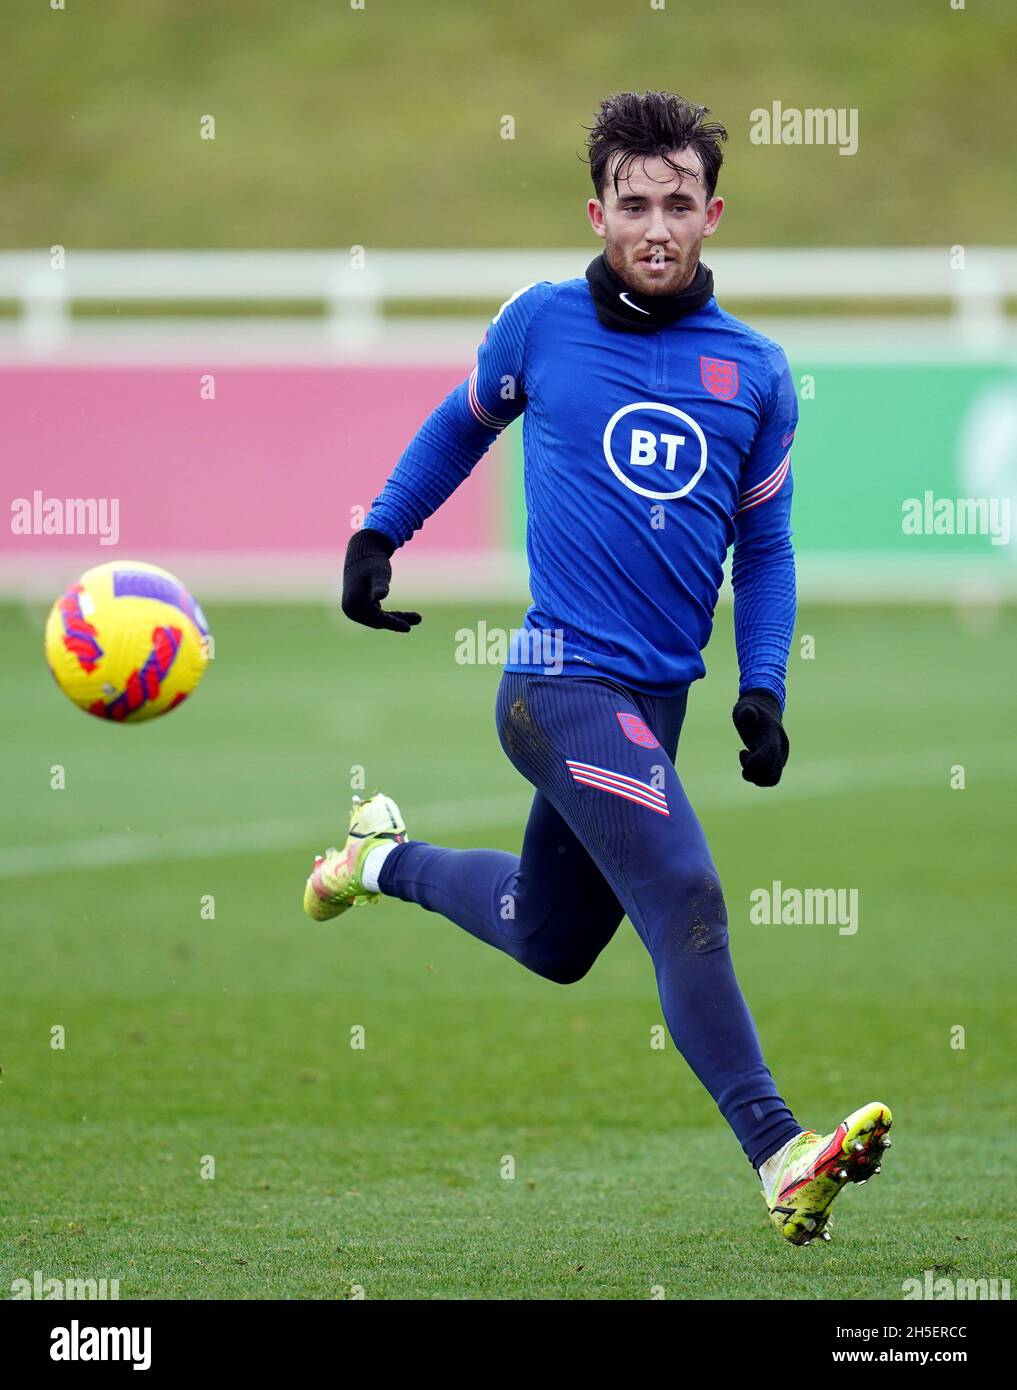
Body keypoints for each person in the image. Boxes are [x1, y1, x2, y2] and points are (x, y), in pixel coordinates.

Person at [305, 90, 891, 1245]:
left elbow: (766, 548)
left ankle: (376, 858)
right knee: (686, 892)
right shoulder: (541, 324)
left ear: (713, 213)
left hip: (653, 703)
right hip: (555, 684)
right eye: (633, 205)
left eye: (678, 203)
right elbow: (461, 424)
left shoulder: (758, 373)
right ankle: (780, 1151)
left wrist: (763, 684)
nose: (655, 227)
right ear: (597, 212)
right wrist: (378, 533)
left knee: (551, 937)